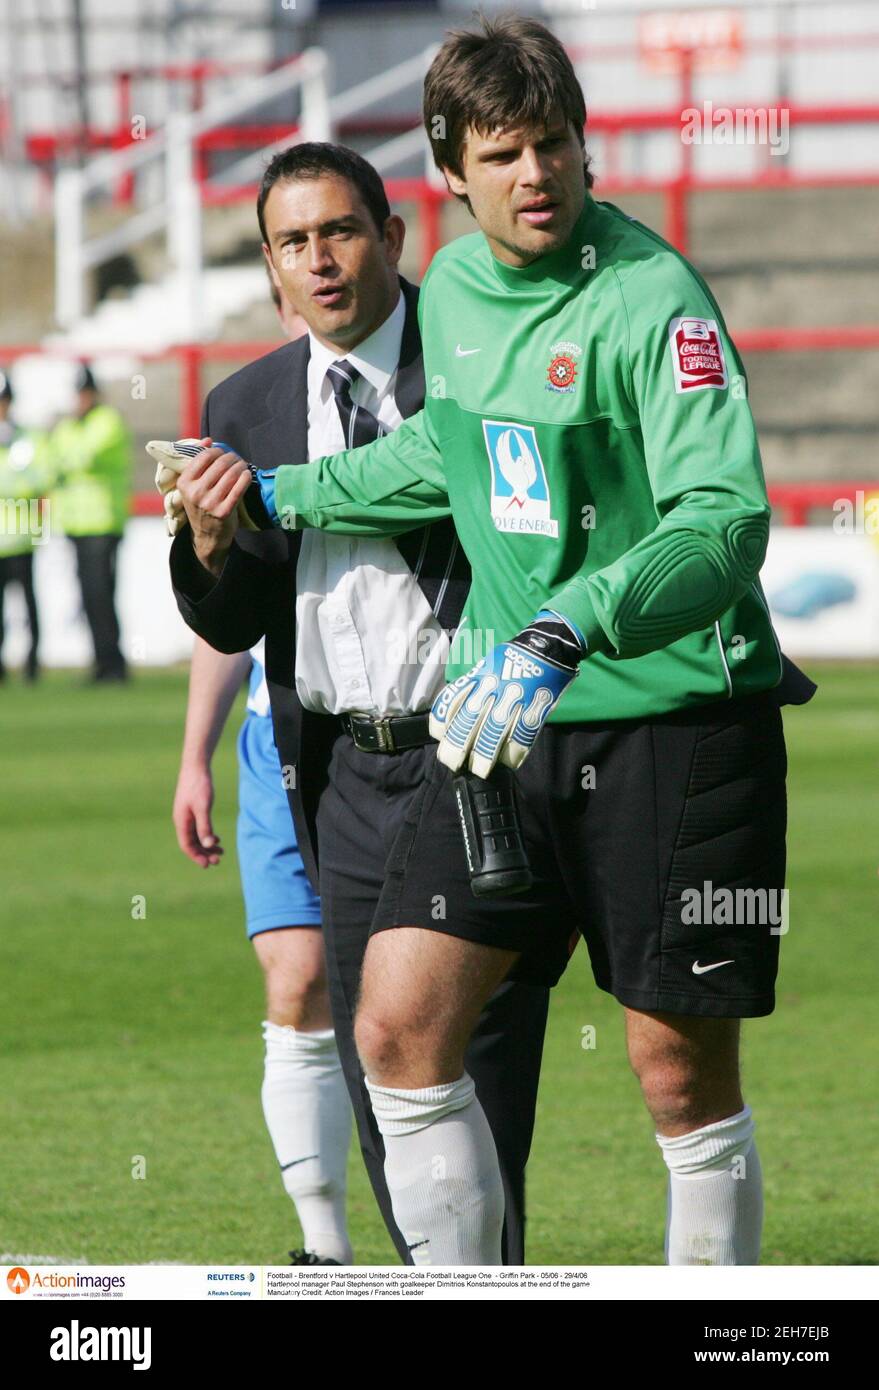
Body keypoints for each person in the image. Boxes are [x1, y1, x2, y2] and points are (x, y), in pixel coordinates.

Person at [183, 15, 817, 1266]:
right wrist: (274, 492)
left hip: (678, 724)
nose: (539, 175)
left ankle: (724, 1331)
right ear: (450, 174)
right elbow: (446, 453)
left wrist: (565, 624)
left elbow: (725, 523)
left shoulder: (656, 298)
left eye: (558, 145)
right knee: (397, 1026)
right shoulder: (461, 293)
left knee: (674, 1076)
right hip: (509, 724)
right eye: (508, 153)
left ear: (585, 149)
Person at [168, 142, 550, 1264]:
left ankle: (496, 1276)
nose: (320, 259)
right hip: (332, 773)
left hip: (474, 754)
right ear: (273, 271)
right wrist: (206, 539)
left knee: (474, 1059)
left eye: (340, 230)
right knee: (377, 1070)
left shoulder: (481, 359)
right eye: (294, 242)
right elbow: (228, 616)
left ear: (392, 236)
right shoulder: (243, 403)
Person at [172, 284, 352, 1266]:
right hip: (270, 741)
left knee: (419, 1009)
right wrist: (194, 755)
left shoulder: (415, 399)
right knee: (297, 975)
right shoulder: (247, 414)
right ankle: (323, 1251)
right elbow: (225, 615)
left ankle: (463, 1253)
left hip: (395, 734)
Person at [50, 363, 131, 682]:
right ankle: (102, 661)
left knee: (101, 595)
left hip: (102, 523)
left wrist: (64, 458)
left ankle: (113, 663)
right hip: (77, 525)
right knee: (89, 597)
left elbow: (78, 457)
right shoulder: (72, 427)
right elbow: (54, 459)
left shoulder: (108, 421)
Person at [0, 369, 50, 681]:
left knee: (29, 604)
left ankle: (32, 664)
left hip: (22, 538)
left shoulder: (28, 439)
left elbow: (41, 478)